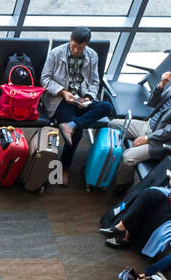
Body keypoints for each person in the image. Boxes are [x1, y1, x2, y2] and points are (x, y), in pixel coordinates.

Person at [104, 64, 171, 190]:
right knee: (112, 124)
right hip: (149, 125)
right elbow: (152, 103)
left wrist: (147, 138)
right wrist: (161, 84)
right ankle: (104, 161)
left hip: (163, 142)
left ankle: (123, 183)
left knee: (127, 157)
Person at [41, 27, 115, 181]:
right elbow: (45, 79)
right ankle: (64, 167)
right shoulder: (56, 53)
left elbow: (95, 81)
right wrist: (63, 92)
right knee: (78, 132)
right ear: (70, 39)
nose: (75, 50)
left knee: (107, 107)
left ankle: (71, 125)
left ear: (86, 44)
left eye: (80, 48)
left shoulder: (92, 56)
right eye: (73, 45)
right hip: (60, 100)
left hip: (81, 99)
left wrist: (88, 97)